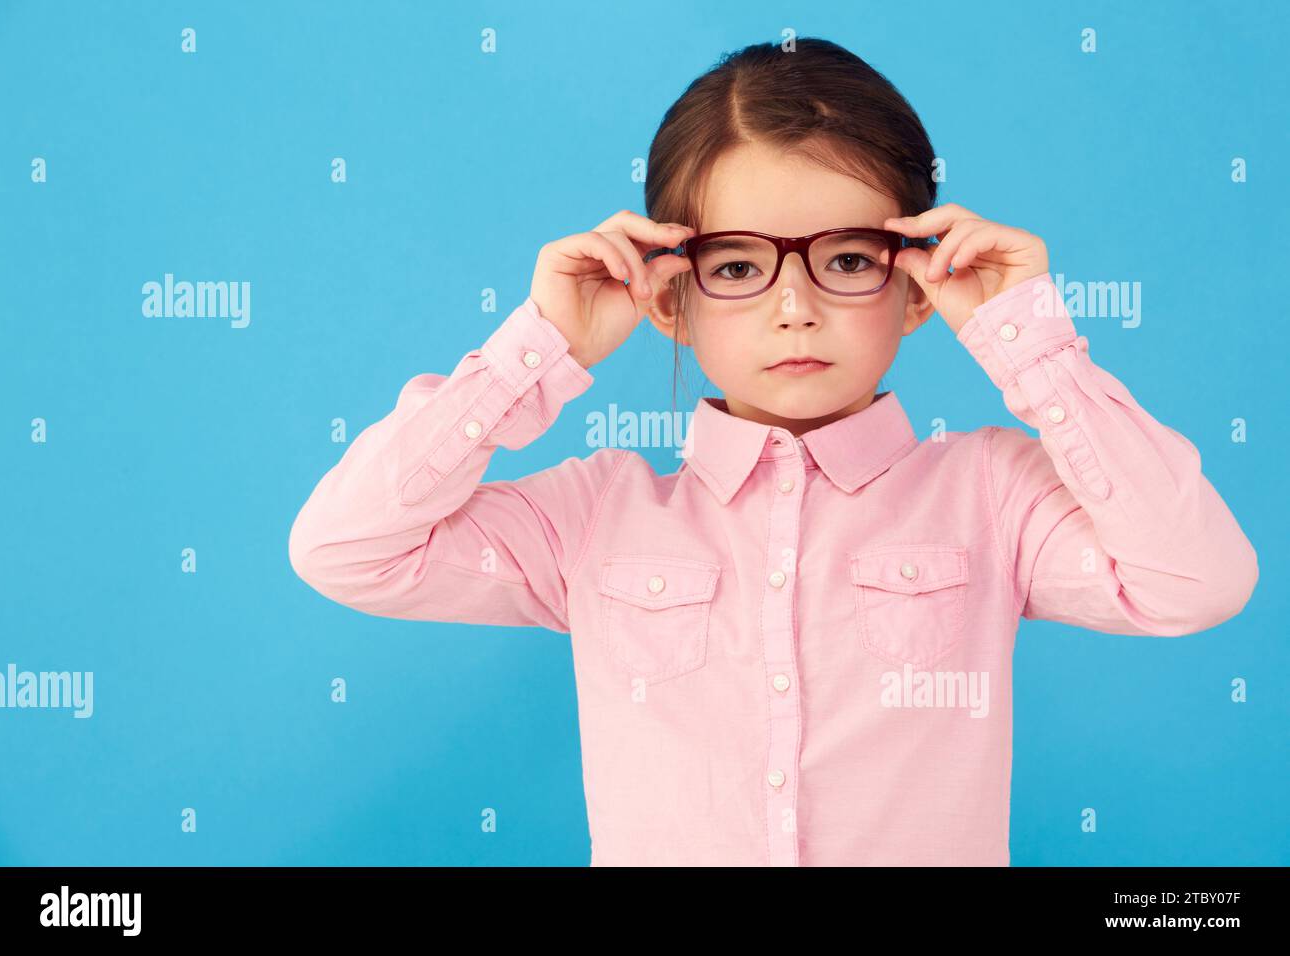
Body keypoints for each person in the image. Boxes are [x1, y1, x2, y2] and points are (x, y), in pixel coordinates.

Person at [288, 37, 1258, 866]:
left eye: (847, 260)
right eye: (739, 265)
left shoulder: (993, 493)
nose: (794, 307)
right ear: (670, 294)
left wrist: (1030, 342)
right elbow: (345, 548)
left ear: (917, 287)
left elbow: (1196, 580)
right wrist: (537, 347)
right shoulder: (591, 516)